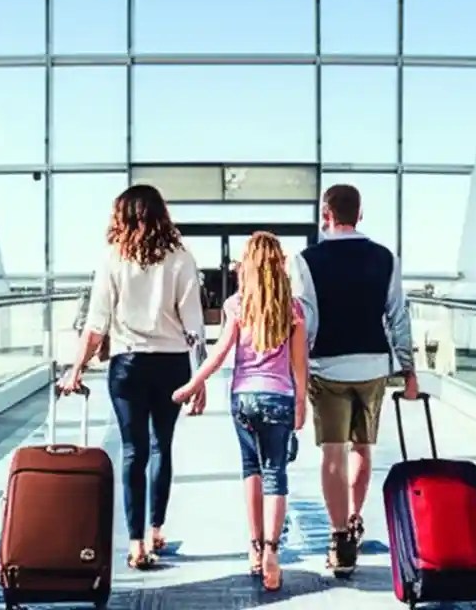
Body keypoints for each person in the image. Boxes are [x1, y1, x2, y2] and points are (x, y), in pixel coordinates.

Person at [59, 184, 206, 571]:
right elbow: (194, 326)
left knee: (132, 452)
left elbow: (96, 324)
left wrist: (76, 368)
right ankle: (156, 530)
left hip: (127, 366)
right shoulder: (181, 257)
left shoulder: (112, 258)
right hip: (172, 364)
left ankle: (137, 544)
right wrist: (200, 377)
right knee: (161, 447)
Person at [289, 183, 418, 578]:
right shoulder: (385, 258)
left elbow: (306, 322)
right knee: (363, 447)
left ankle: (340, 537)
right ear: (359, 214)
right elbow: (398, 316)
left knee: (333, 454)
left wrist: (298, 374)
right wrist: (408, 371)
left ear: (325, 215)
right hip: (374, 365)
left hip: (328, 367)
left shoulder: (306, 260)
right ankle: (355, 519)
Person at [171, 232, 307, 592]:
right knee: (276, 474)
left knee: (251, 470)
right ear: (279, 265)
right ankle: (273, 552)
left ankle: (254, 546)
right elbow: (299, 366)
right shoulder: (293, 309)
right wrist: (301, 404)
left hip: (243, 398)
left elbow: (219, 353)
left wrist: (193, 383)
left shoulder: (236, 305)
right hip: (278, 397)